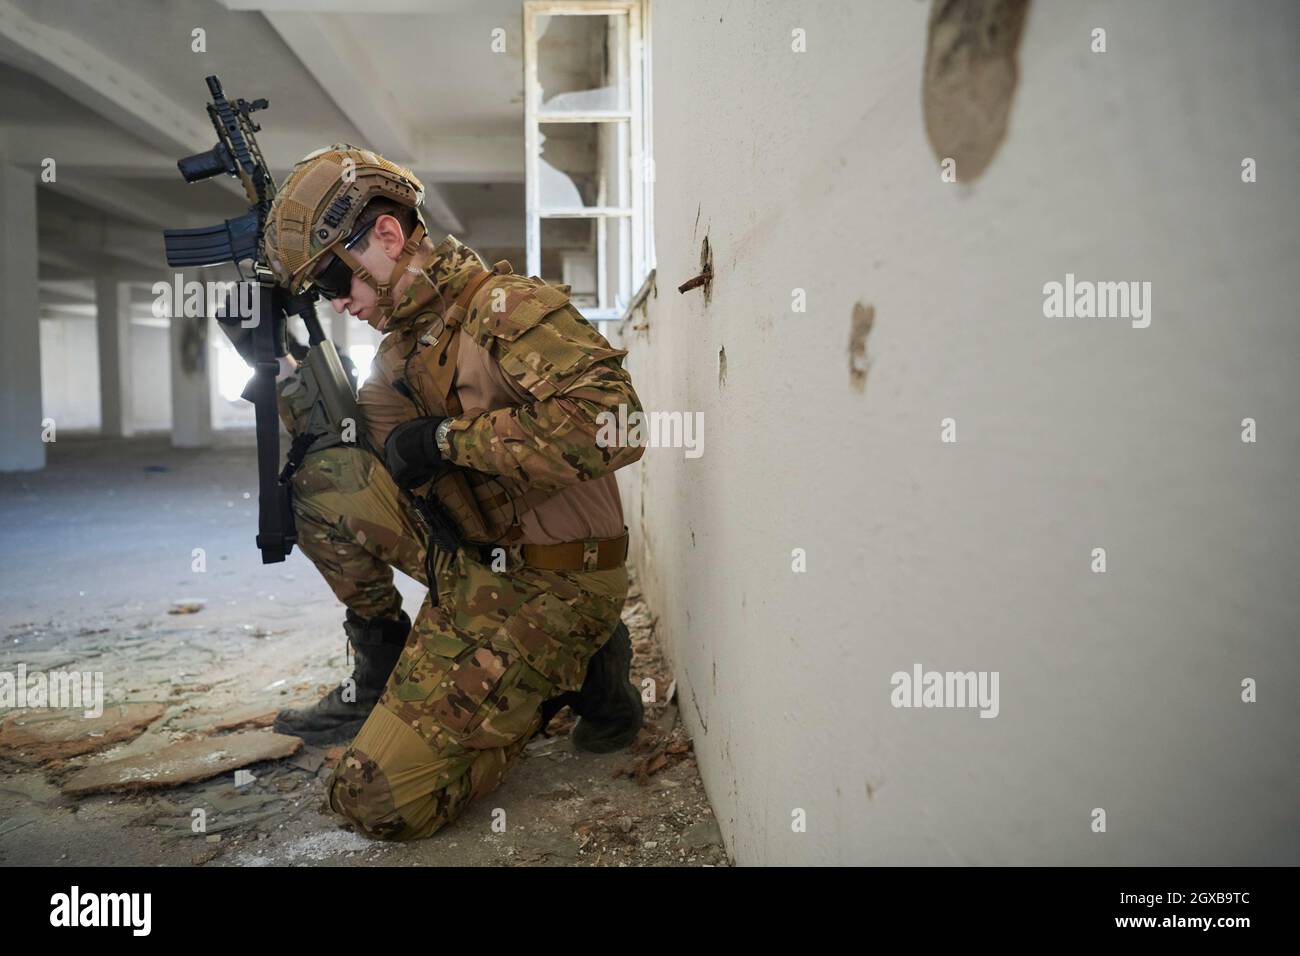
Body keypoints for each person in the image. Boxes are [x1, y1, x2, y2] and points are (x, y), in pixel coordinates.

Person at [262, 144, 646, 839]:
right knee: (322, 480)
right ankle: (384, 660)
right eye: (320, 292)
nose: (338, 301)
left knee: (374, 802)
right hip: (473, 561)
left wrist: (446, 439)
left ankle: (578, 669)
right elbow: (375, 473)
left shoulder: (507, 307)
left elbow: (615, 427)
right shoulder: (397, 352)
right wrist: (301, 396)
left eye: (333, 280)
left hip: (556, 582)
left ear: (386, 235)